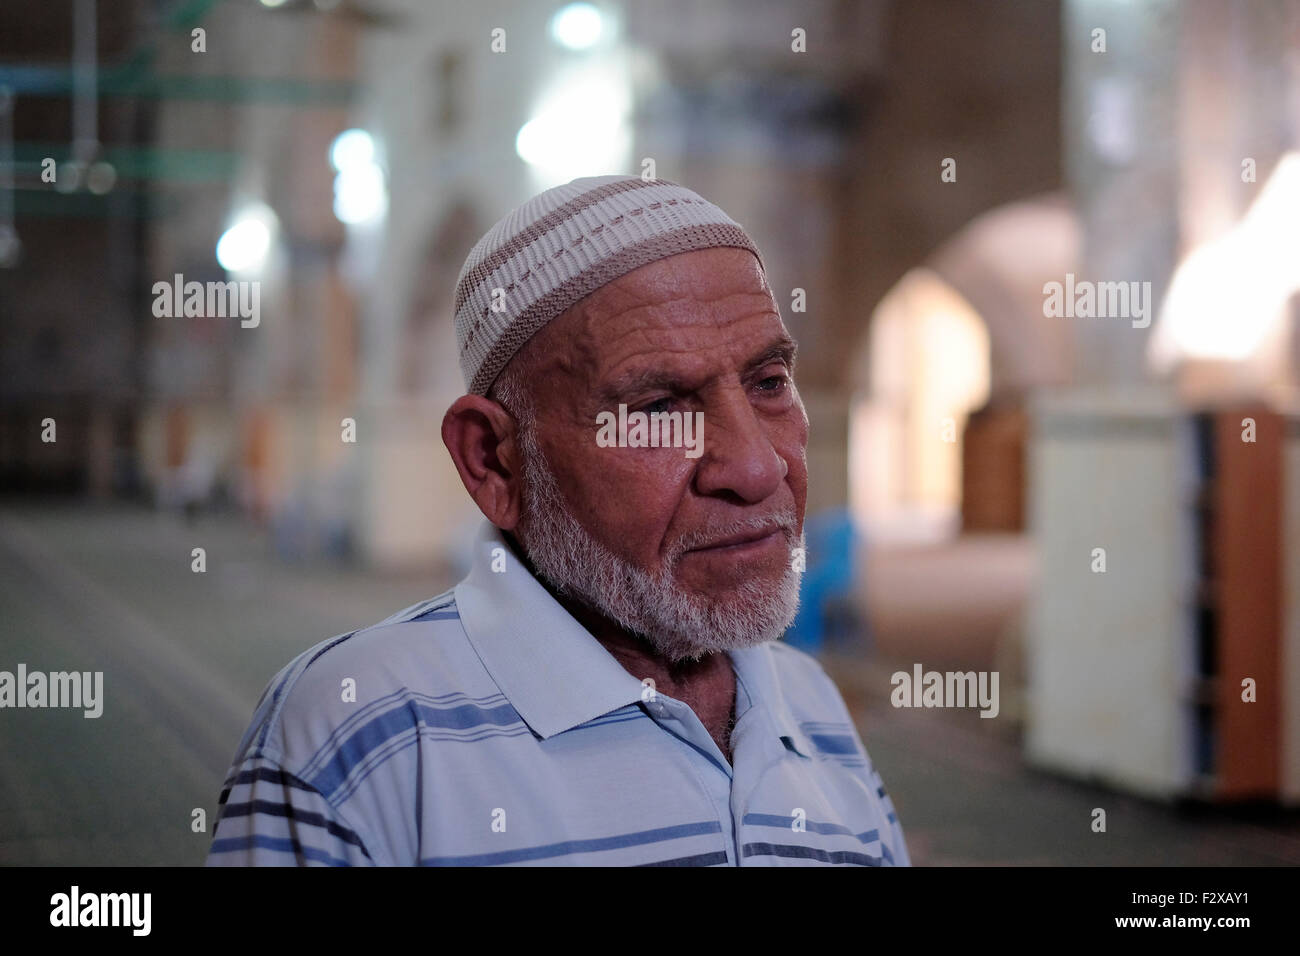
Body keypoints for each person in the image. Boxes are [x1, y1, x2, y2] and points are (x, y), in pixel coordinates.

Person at [206, 175, 910, 866]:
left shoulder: (810, 703)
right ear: (495, 462)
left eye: (768, 384)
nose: (757, 469)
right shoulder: (356, 734)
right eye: (659, 408)